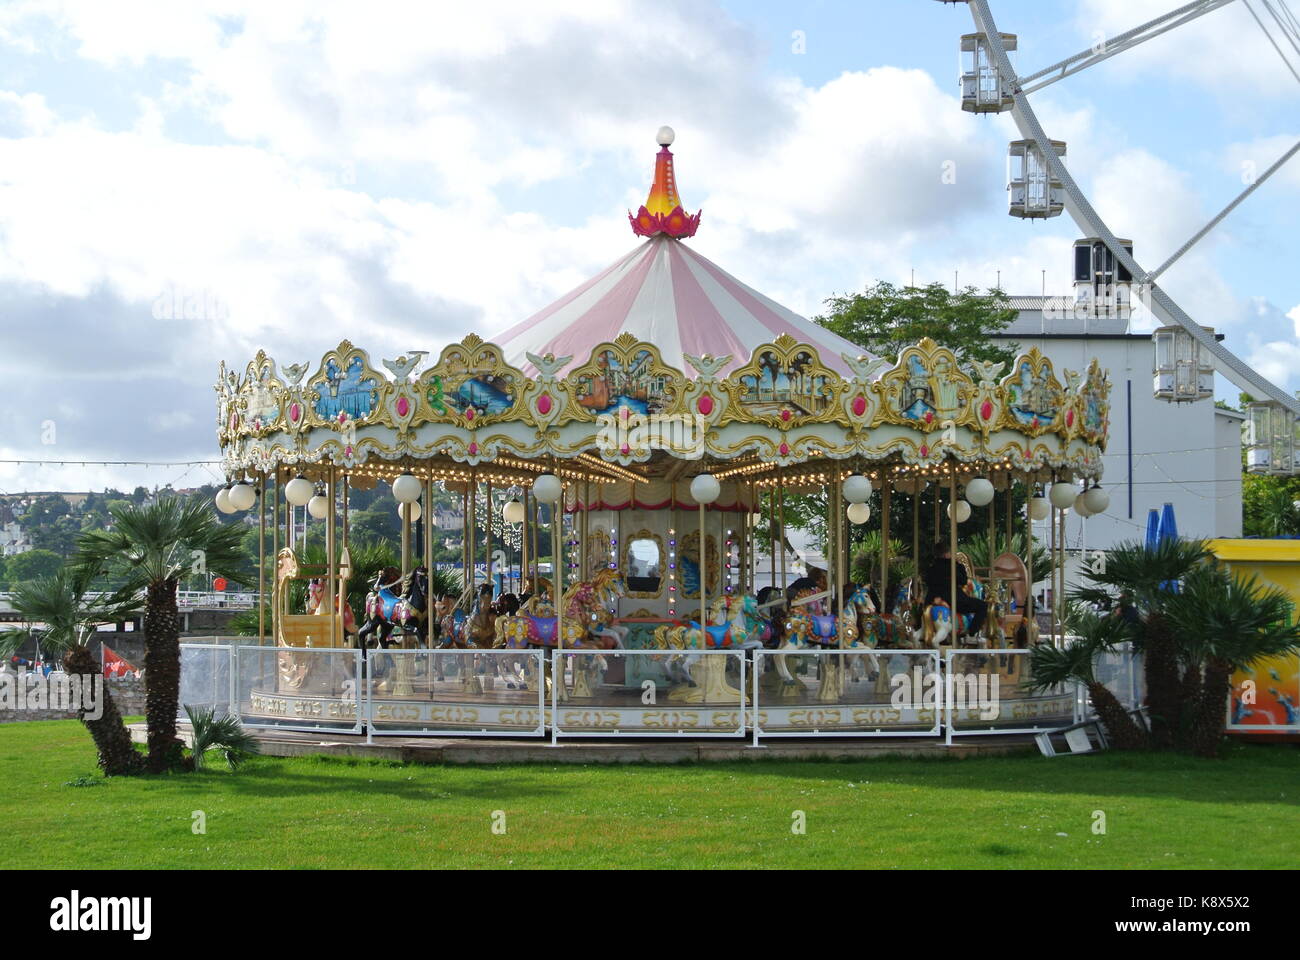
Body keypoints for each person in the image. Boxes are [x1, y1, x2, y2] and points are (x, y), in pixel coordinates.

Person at [923, 541, 986, 636]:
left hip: (932, 598)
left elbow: (927, 581)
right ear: (946, 554)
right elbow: (963, 581)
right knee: (982, 606)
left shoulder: (931, 568)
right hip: (953, 598)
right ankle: (971, 633)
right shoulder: (953, 566)